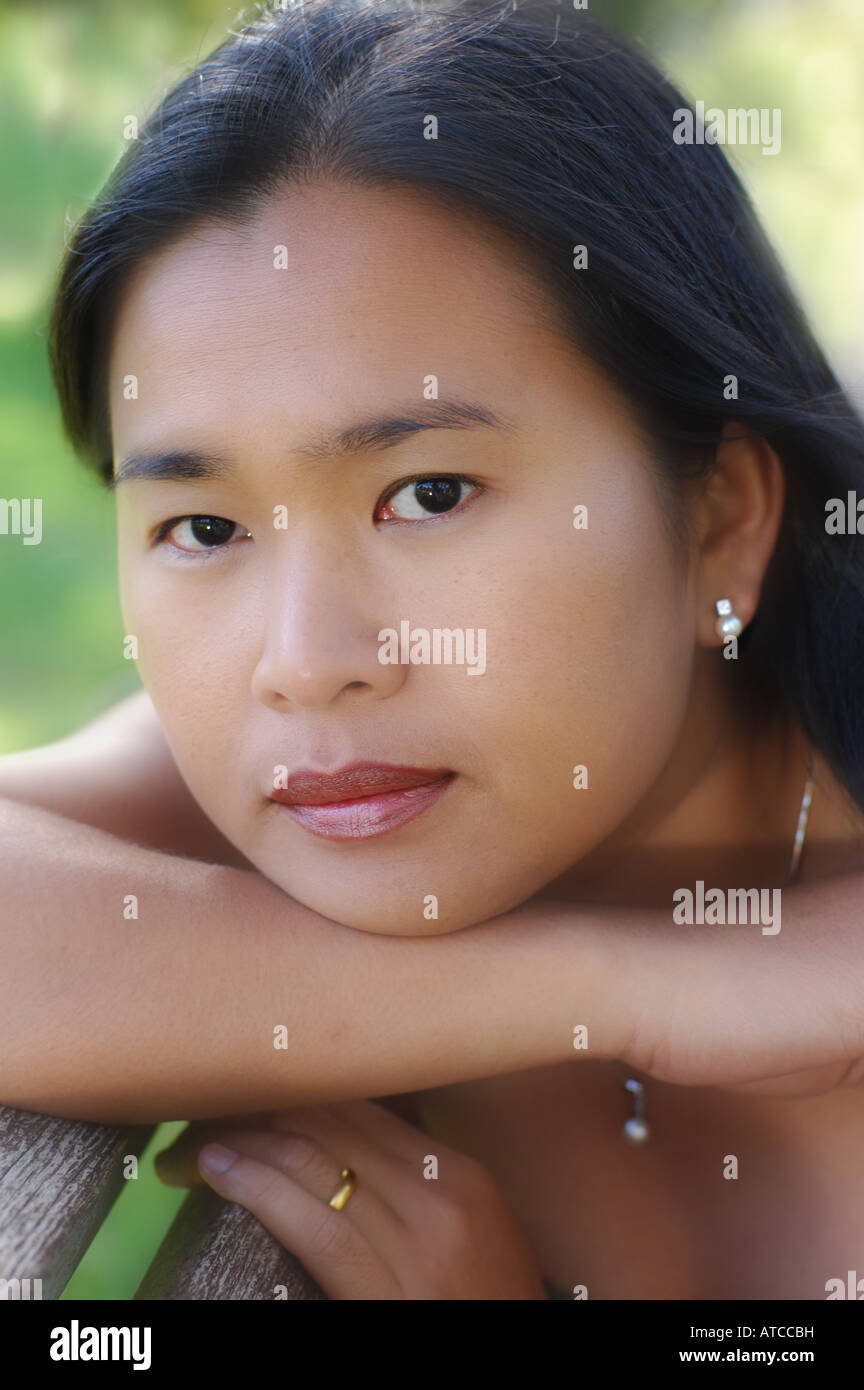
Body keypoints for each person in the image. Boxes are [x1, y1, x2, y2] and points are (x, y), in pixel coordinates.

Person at [2, 0, 863, 1300]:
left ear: (720, 518)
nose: (303, 659)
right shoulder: (346, 764)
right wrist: (625, 983)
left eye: (431, 494)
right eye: (205, 524)